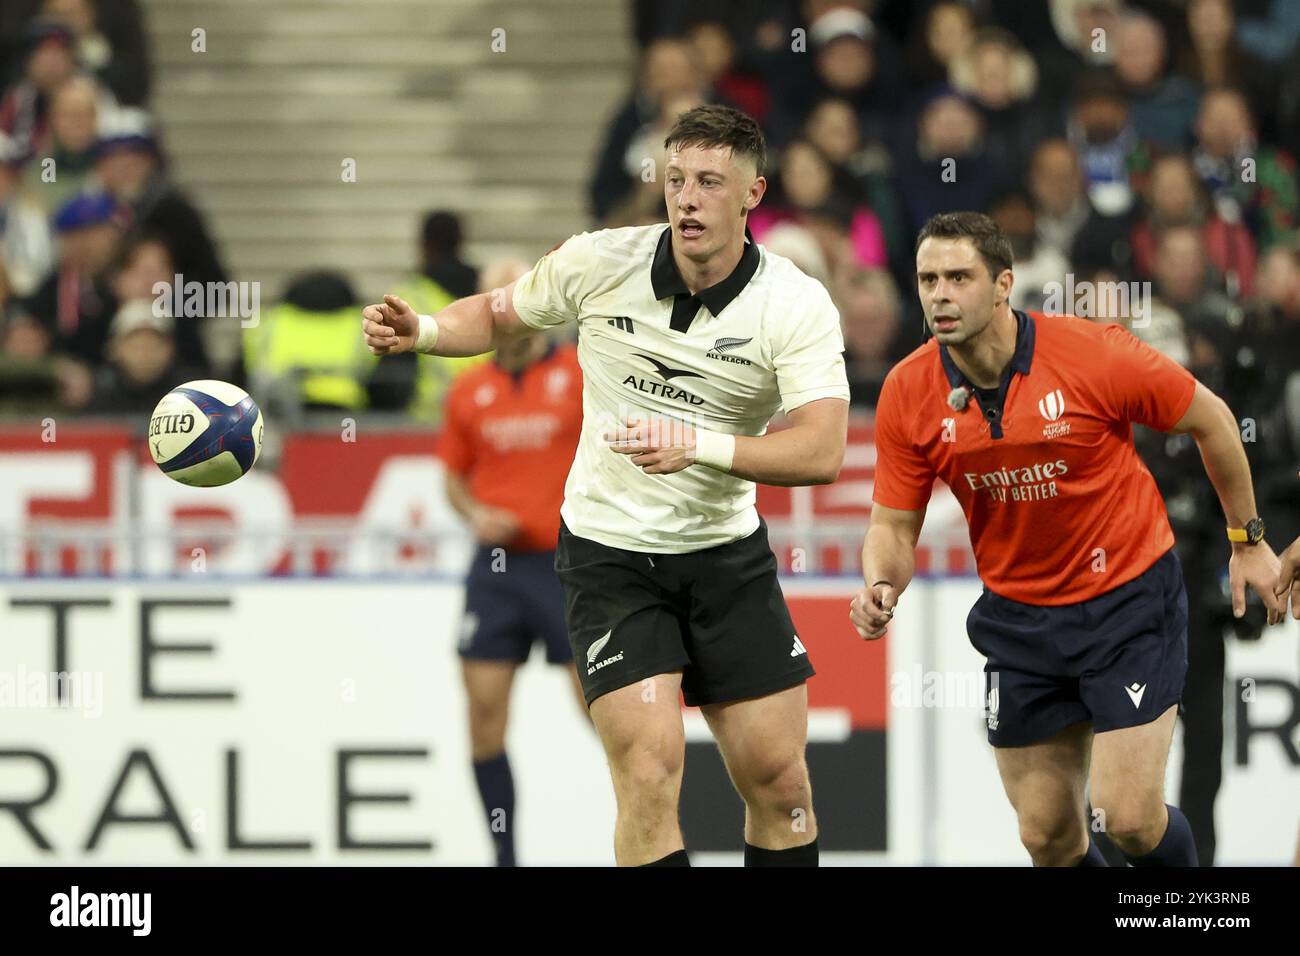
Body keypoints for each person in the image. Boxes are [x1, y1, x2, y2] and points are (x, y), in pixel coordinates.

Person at [362, 104, 849, 866]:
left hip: (726, 559)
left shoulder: (793, 303)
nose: (686, 198)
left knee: (781, 785)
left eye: (710, 183)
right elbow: (496, 315)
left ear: (754, 193)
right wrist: (422, 331)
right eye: (676, 179)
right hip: (610, 559)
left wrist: (700, 448)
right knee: (650, 771)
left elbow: (822, 450)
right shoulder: (599, 262)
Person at [851, 211, 1288, 867]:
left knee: (1128, 818)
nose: (940, 293)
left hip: (1126, 599)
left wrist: (1247, 539)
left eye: (959, 277)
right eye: (928, 279)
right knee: (1047, 836)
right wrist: (881, 582)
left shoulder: (1091, 352)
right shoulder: (908, 391)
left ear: (1003, 285)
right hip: (1019, 615)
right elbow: (891, 523)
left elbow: (1213, 419)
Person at [437, 260, 585, 866]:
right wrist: (474, 512)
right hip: (496, 569)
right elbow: (452, 477)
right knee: (483, 713)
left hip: (570, 563)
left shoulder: (581, 370)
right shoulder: (468, 388)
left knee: (612, 716)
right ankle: (505, 858)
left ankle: (653, 836)